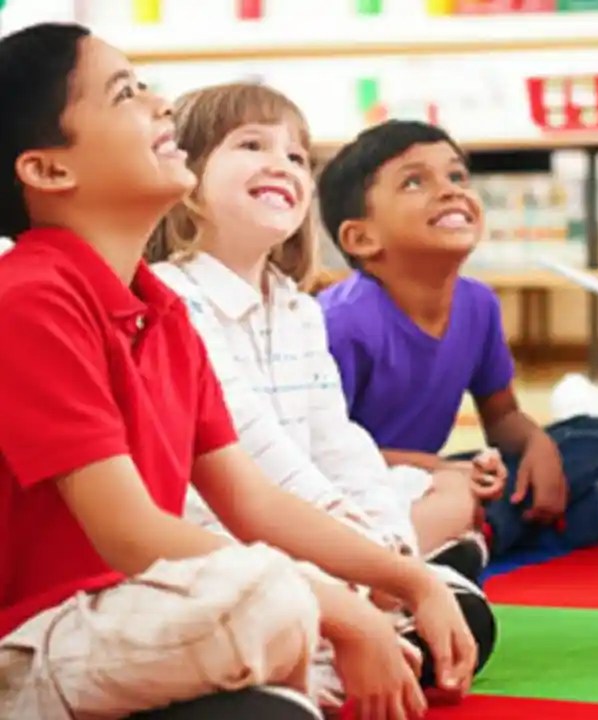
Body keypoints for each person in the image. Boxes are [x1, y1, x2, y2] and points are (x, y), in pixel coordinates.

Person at [0, 24, 478, 719]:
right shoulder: (30, 296)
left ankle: (273, 691)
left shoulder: (162, 312)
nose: (161, 104)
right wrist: (347, 614)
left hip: (139, 610)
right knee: (271, 596)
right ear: (48, 171)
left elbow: (255, 501)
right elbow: (131, 534)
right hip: (34, 635)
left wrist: (412, 581)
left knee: (306, 602)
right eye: (125, 93)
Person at [147, 83, 497, 587]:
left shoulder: (297, 309)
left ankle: (387, 578)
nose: (282, 164)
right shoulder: (173, 297)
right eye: (252, 145)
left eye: (296, 156)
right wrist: (370, 550)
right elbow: (257, 450)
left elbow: (339, 442)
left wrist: (388, 539)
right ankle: (388, 583)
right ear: (187, 176)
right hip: (224, 526)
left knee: (445, 491)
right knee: (267, 575)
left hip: (315, 513)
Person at [316, 120, 598, 560]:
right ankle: (474, 529)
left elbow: (502, 416)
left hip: (439, 476)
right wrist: (444, 471)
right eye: (415, 181)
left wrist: (537, 445)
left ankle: (481, 530)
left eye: (457, 176)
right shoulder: (341, 323)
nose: (450, 191)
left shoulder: (478, 304)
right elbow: (321, 456)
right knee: (586, 510)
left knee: (597, 448)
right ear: (362, 237)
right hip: (362, 490)